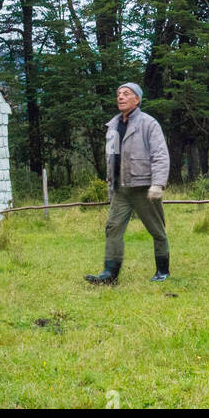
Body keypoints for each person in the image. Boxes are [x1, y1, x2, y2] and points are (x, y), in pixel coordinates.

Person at [86, 83, 171, 284]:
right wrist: (110, 187)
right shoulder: (112, 125)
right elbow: (111, 158)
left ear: (137, 99)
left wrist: (158, 184)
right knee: (112, 229)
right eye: (118, 94)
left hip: (144, 188)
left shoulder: (149, 124)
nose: (121, 97)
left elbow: (160, 155)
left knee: (157, 230)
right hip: (120, 189)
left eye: (126, 94)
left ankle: (162, 271)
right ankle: (110, 274)